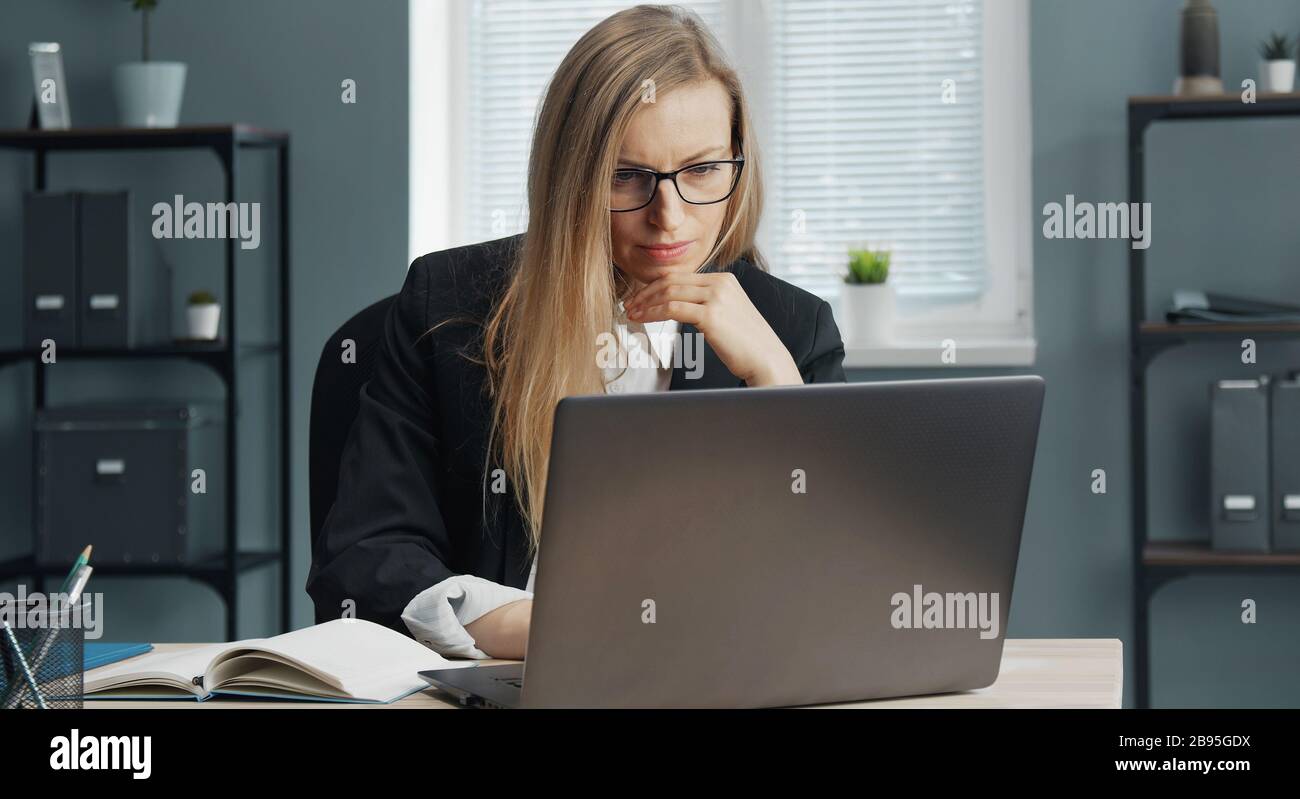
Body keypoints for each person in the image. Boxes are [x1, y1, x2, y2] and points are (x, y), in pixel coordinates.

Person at [306, 4, 846, 660]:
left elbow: (834, 593)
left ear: (737, 163)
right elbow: (363, 560)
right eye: (627, 176)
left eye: (702, 170)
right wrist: (550, 629)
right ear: (572, 178)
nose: (668, 217)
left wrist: (777, 381)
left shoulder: (793, 329)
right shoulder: (445, 305)